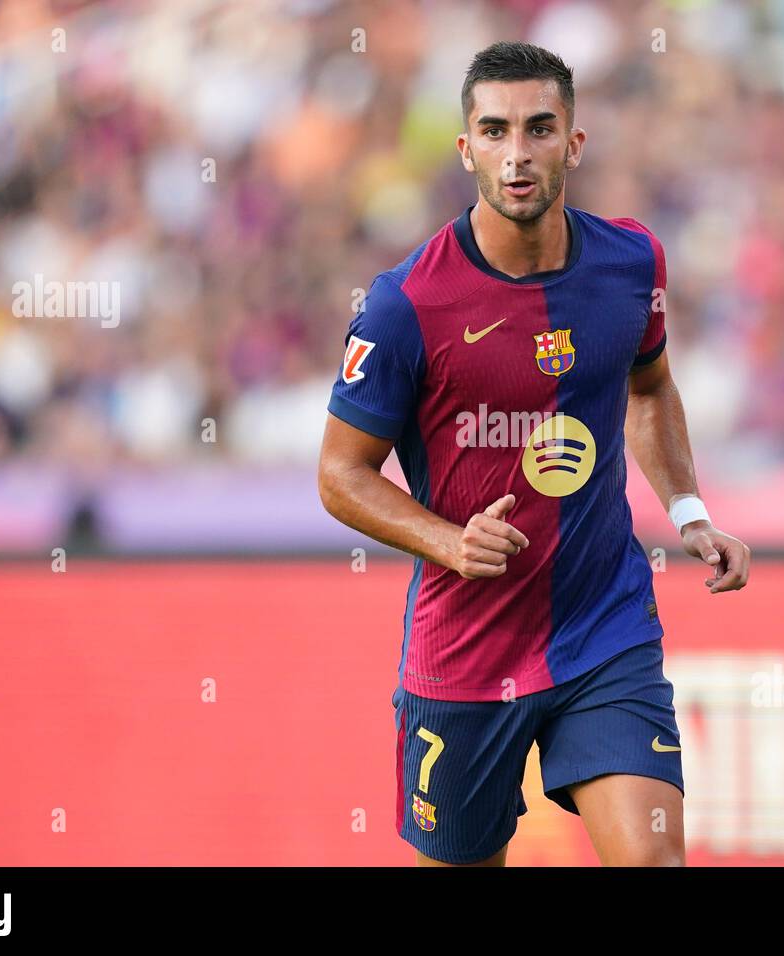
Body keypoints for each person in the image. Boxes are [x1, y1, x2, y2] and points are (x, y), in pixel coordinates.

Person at [318, 40, 750, 866]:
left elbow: (650, 388)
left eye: (540, 129)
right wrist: (449, 540)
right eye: (496, 131)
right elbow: (340, 474)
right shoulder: (405, 304)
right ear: (466, 147)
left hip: (605, 628)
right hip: (464, 654)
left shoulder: (631, 264)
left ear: (573, 144)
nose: (517, 154)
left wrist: (690, 513)